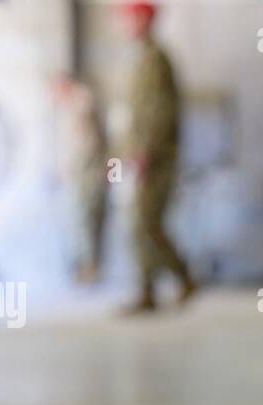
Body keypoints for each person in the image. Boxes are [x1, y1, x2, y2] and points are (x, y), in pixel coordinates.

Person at [119, 1, 195, 313]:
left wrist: (145, 149)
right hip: (144, 154)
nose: (123, 26)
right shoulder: (141, 58)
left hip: (156, 157)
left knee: (145, 221)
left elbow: (159, 109)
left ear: (143, 20)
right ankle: (152, 288)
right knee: (142, 222)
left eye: (128, 19)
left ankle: (178, 278)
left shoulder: (155, 59)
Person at [53, 74, 108, 284]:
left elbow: (94, 143)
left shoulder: (83, 102)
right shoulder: (64, 113)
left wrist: (113, 174)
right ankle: (82, 267)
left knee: (90, 220)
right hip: (75, 175)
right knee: (78, 222)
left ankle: (91, 267)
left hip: (91, 173)